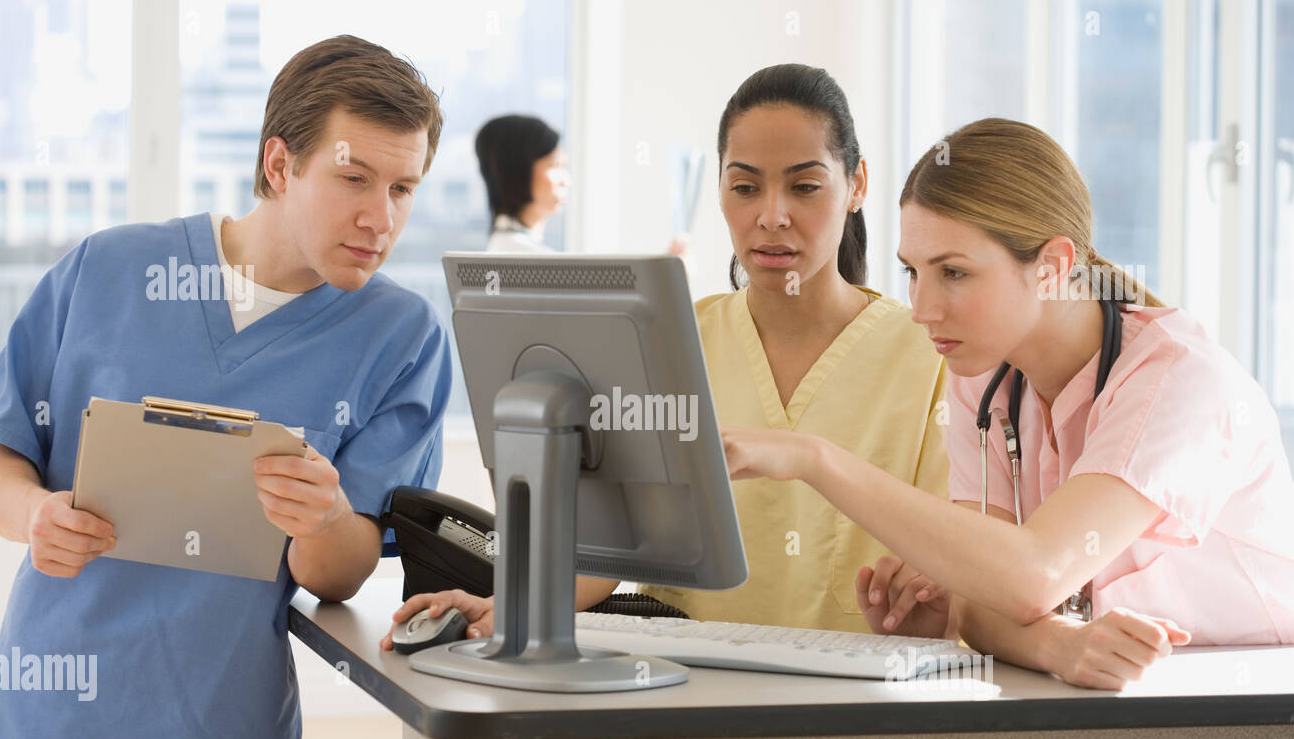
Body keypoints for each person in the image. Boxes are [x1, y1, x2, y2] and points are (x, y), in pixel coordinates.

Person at [0, 35, 452, 739]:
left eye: (403, 188)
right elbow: (4, 453)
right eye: (354, 179)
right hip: (50, 737)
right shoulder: (108, 270)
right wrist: (33, 513)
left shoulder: (402, 337)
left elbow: (343, 570)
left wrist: (320, 518)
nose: (381, 218)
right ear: (280, 165)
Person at [381, 64, 949, 650]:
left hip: (860, 703)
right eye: (746, 187)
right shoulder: (671, 339)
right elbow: (615, 545)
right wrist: (501, 607)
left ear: (856, 185)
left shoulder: (931, 355)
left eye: (805, 187)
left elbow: (956, 558)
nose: (772, 216)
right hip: (689, 691)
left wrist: (935, 591)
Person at [720, 117, 1294, 689]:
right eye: (912, 273)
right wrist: (1055, 644)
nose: (921, 308)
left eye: (953, 273)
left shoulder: (1177, 381)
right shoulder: (986, 375)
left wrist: (817, 459)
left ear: (1053, 267)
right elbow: (977, 601)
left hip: (1255, 702)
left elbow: (1033, 574)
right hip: (1133, 701)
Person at [474, 115, 569, 253]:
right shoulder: (536, 259)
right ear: (519, 171)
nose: (566, 181)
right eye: (555, 165)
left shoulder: (501, 245)